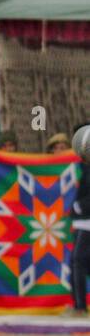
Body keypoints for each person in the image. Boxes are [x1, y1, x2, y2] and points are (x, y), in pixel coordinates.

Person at [69, 126, 90, 316]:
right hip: (82, 221)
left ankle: (80, 306)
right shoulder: (82, 164)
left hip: (86, 220)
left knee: (78, 261)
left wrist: (79, 207)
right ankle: (78, 303)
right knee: (76, 262)